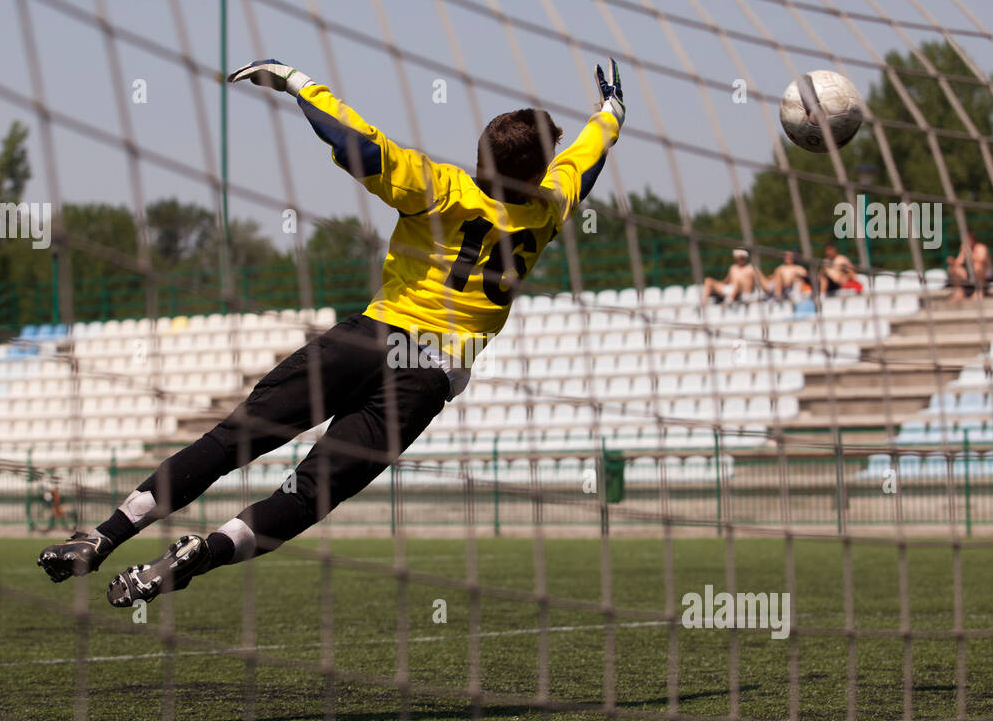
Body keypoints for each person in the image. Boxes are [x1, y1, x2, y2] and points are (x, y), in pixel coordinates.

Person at [37, 57, 625, 606]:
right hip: (426, 377)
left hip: (368, 339)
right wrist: (611, 111)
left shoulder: (442, 186)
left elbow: (359, 143)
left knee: (231, 440)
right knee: (307, 495)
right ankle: (201, 553)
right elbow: (588, 160)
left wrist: (297, 83)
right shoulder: (549, 210)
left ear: (480, 155)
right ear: (542, 169)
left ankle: (102, 535)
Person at [946, 230, 992, 300]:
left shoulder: (981, 247)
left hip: (985, 277)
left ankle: (980, 291)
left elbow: (981, 260)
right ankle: (960, 292)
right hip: (970, 275)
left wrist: (969, 253)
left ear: (973, 239)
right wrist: (953, 261)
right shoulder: (964, 247)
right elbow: (959, 262)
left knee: (977, 266)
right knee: (953, 268)